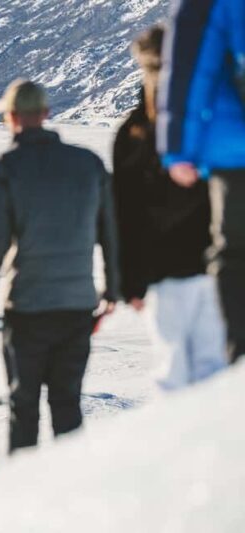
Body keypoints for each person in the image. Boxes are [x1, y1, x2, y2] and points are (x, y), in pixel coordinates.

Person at [0, 79, 120, 454]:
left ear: (11, 118)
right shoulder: (89, 164)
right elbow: (113, 233)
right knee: (68, 407)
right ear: (47, 114)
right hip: (77, 307)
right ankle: (72, 495)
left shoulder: (5, 169)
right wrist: (113, 290)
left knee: (24, 408)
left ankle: (24, 498)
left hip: (29, 308)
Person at [113, 26, 227, 390]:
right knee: (214, 370)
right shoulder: (210, 122)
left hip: (162, 269)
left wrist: (127, 278)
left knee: (172, 373)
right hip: (214, 264)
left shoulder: (133, 134)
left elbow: (125, 212)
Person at [157, 0, 245, 362]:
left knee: (237, 252)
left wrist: (179, 149)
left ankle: (241, 358)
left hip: (236, 148)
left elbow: (191, 66)